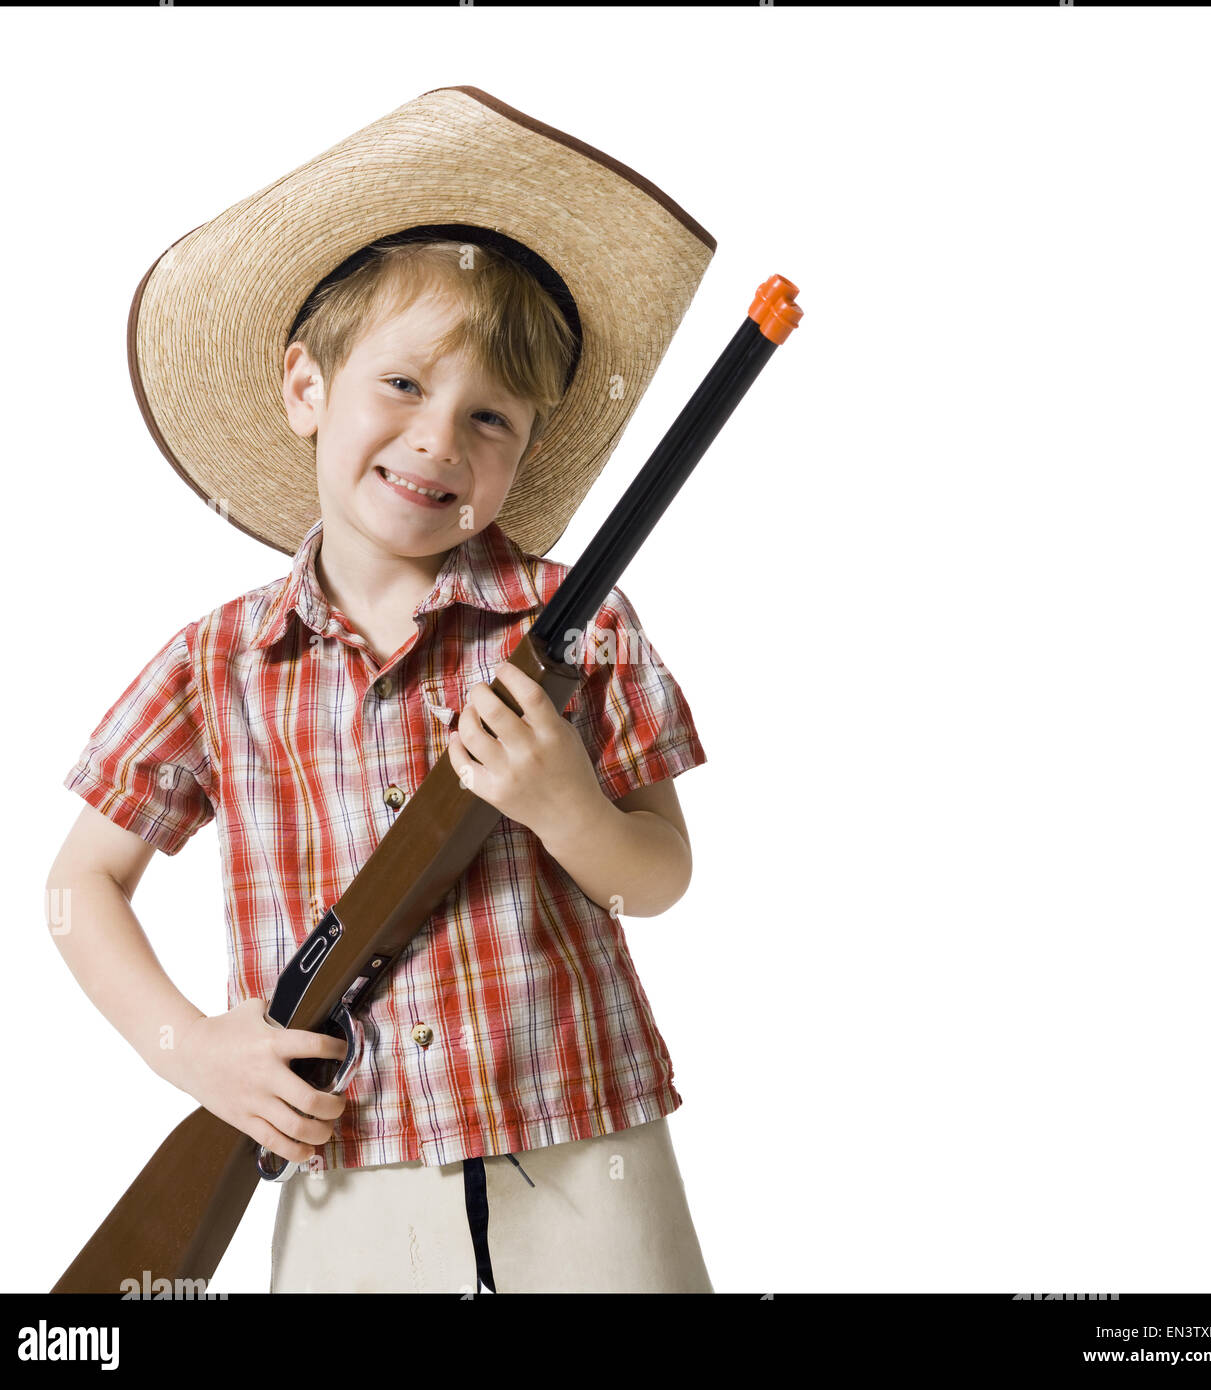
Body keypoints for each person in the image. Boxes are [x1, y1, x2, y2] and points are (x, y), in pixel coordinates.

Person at [47, 87, 717, 1293]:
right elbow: (79, 882)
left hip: (584, 1138)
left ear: (523, 453)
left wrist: (565, 803)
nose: (437, 440)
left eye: (489, 416)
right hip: (349, 1163)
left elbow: (660, 874)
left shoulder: (583, 622)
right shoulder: (215, 662)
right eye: (402, 385)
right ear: (308, 387)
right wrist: (193, 1050)